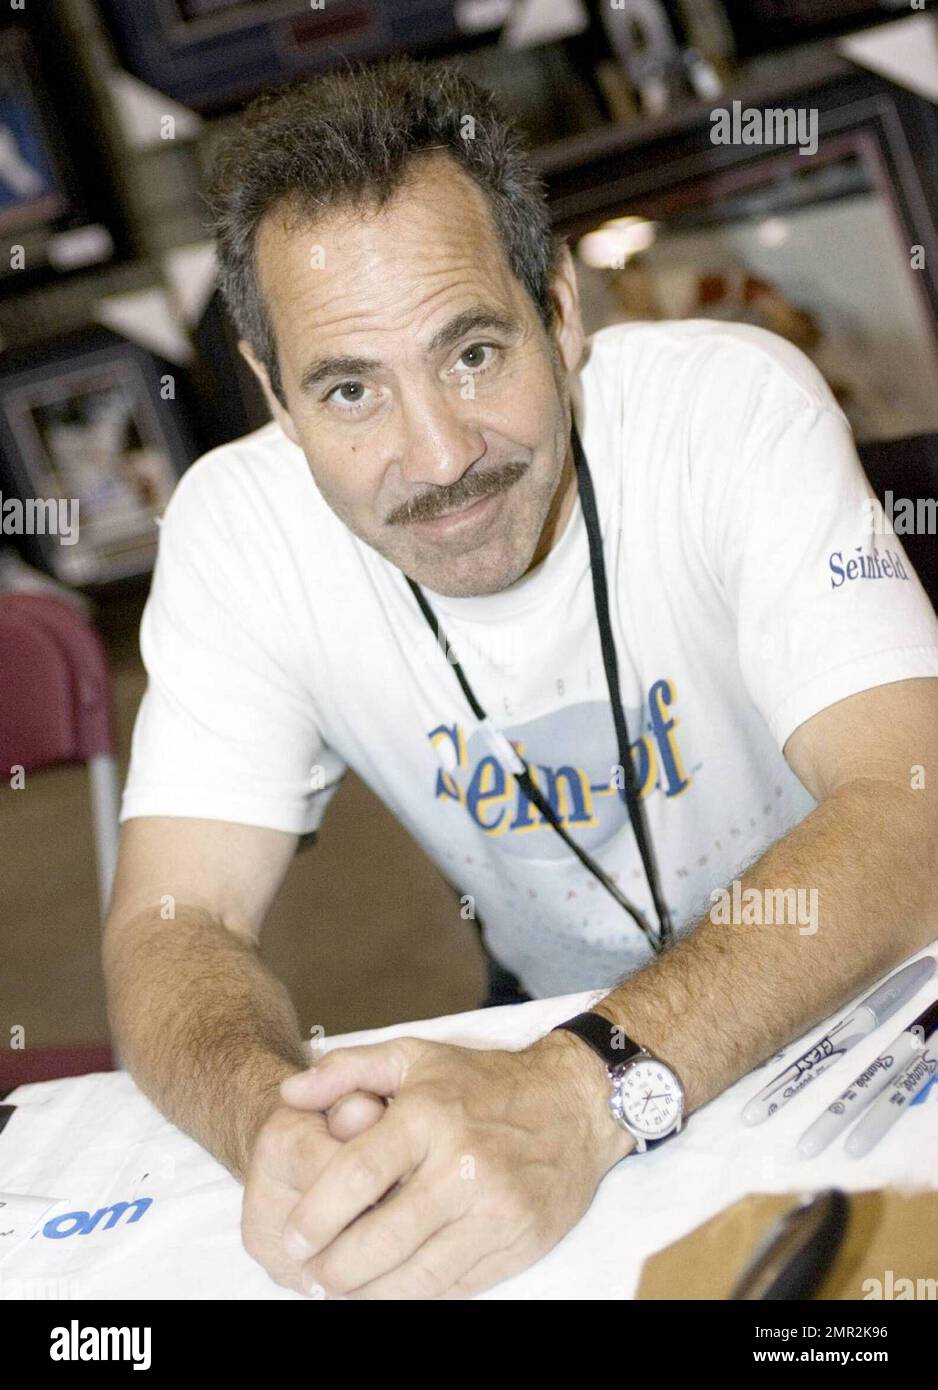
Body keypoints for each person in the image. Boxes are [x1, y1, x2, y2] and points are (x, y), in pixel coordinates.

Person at [102, 56, 938, 1301]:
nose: (437, 456)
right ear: (273, 393)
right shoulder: (235, 534)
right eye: (347, 389)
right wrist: (267, 1123)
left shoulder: (729, 408)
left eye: (474, 353)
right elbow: (175, 920)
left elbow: (910, 806)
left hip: (876, 984)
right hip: (547, 1017)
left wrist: (577, 1090)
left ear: (558, 307)